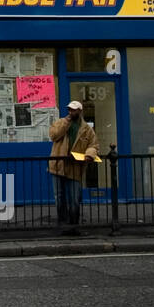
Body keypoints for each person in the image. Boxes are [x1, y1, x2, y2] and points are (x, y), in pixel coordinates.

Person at [48, 100, 98, 233]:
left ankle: (74, 224)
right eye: (69, 109)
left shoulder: (87, 129)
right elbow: (53, 135)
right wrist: (66, 122)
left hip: (75, 166)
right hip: (58, 166)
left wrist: (89, 154)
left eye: (74, 110)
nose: (71, 112)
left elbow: (93, 145)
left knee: (74, 198)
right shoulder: (60, 122)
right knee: (59, 196)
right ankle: (62, 224)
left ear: (80, 111)